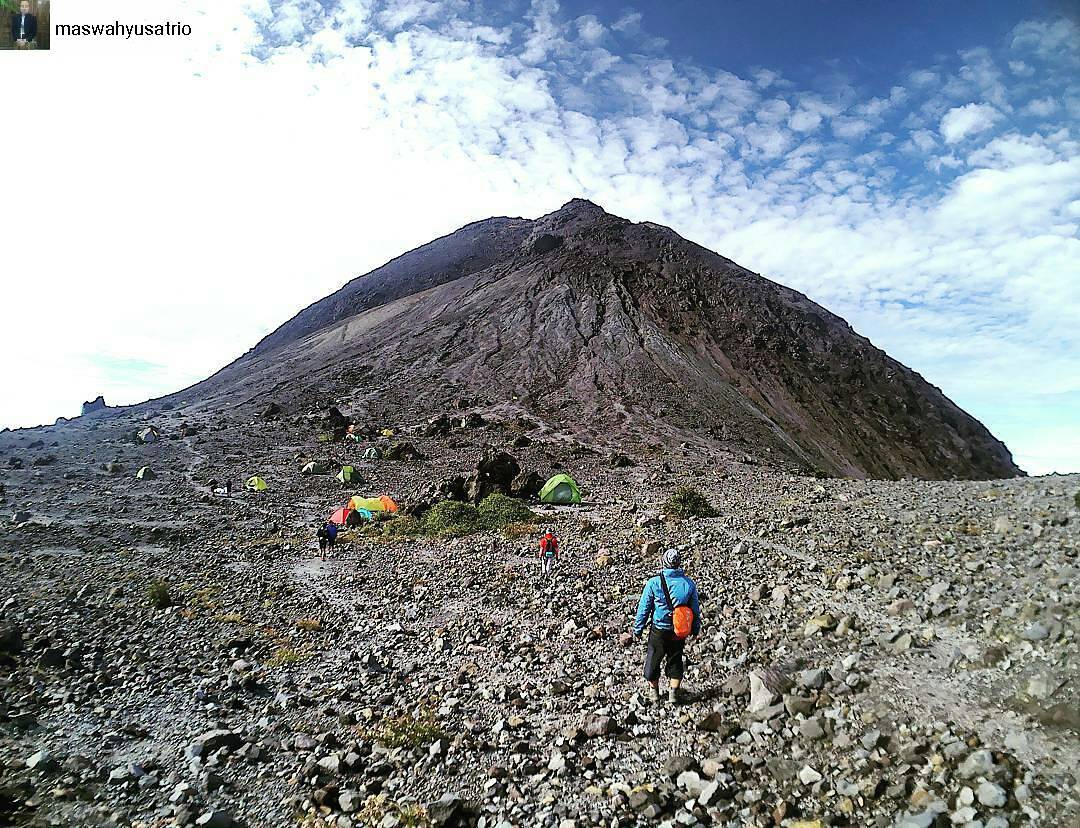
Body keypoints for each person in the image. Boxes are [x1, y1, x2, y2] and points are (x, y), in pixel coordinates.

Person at [633, 548, 701, 704]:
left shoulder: (654, 583)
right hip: (679, 629)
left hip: (659, 628)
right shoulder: (688, 583)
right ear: (678, 563)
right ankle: (673, 694)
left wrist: (638, 629)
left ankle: (654, 693)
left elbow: (644, 608)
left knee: (653, 659)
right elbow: (695, 610)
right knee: (675, 659)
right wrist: (695, 629)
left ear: (663, 562)